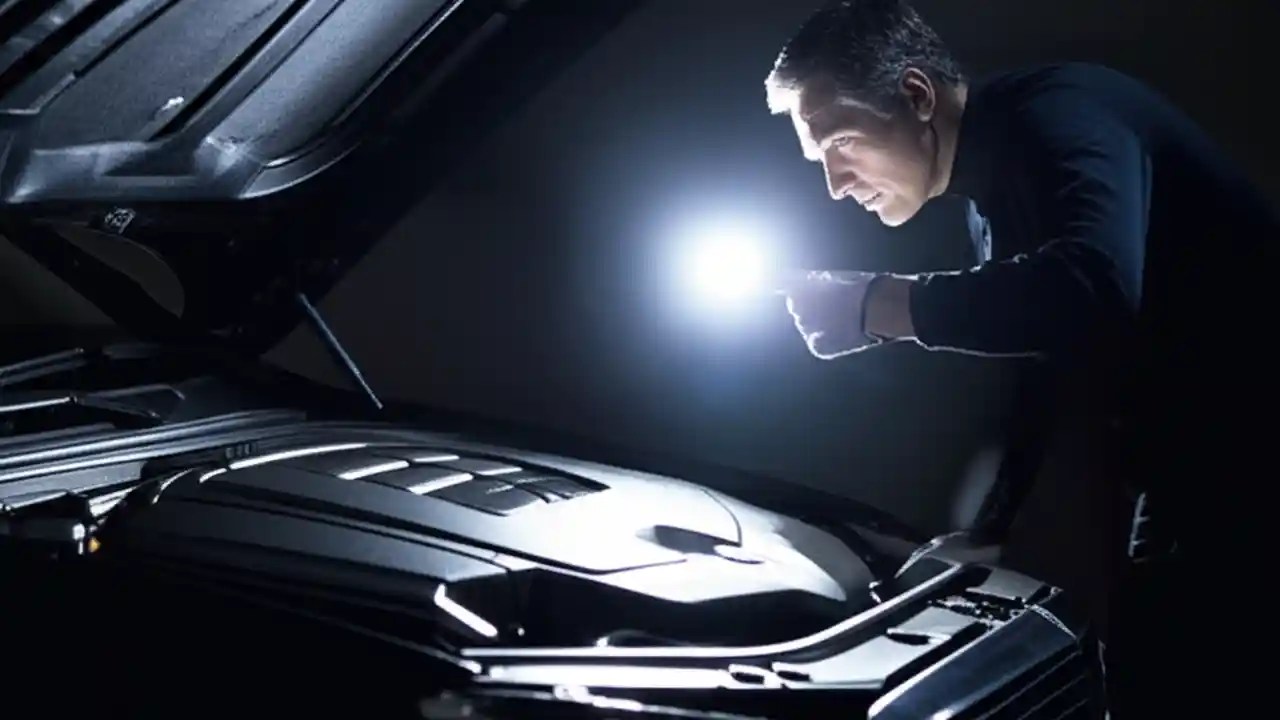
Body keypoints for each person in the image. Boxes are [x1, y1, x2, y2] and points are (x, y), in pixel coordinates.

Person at [763, 0, 1276, 716]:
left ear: (917, 95)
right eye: (820, 160)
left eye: (842, 142)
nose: (836, 185)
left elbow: (1091, 287)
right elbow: (1051, 366)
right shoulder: (991, 199)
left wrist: (879, 304)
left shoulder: (1064, 114)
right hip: (1207, 469)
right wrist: (990, 530)